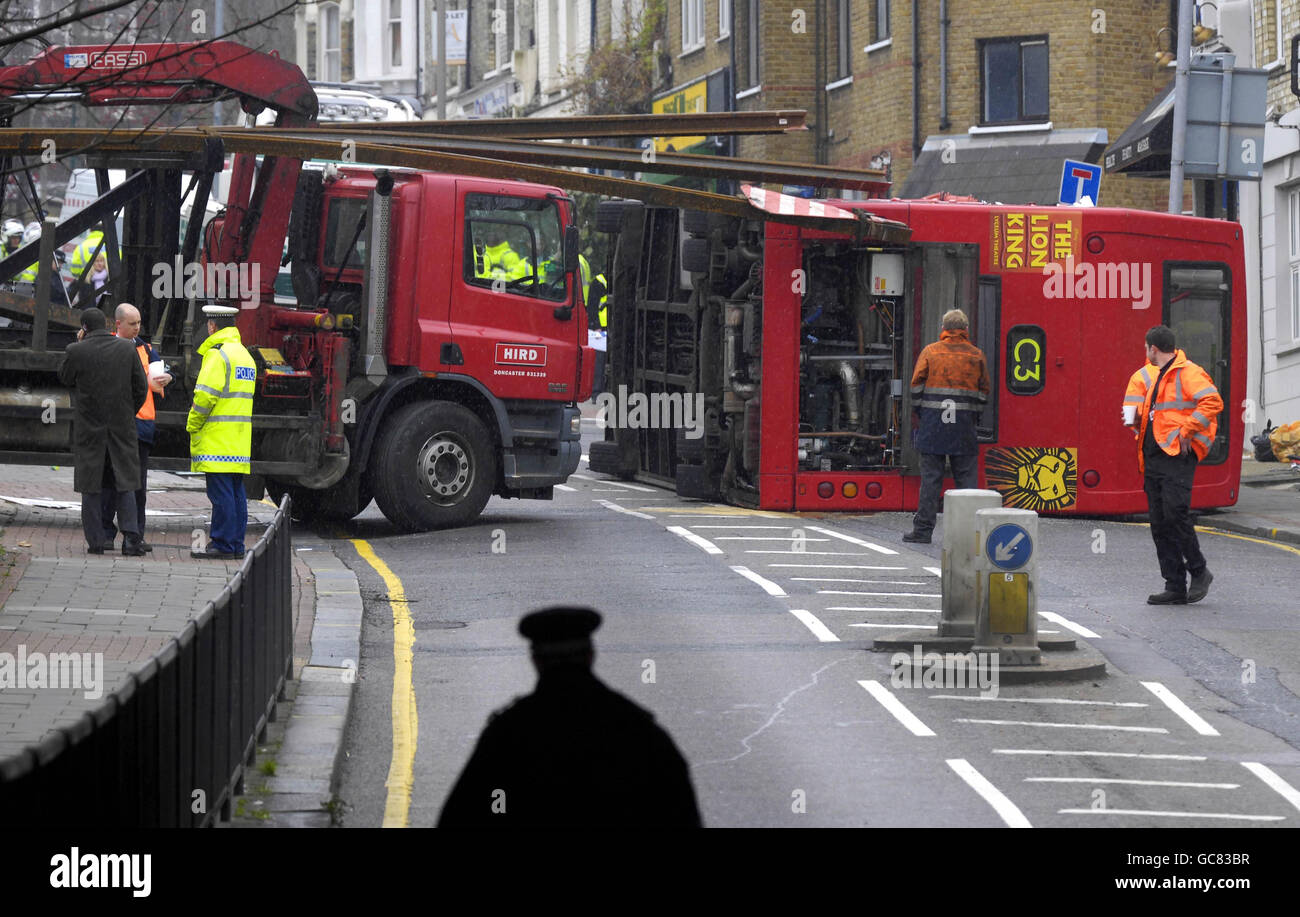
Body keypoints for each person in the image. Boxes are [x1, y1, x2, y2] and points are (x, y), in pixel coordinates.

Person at [438, 606, 702, 828]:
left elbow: (460, 814)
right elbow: (682, 811)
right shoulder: (636, 727)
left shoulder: (509, 731)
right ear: (590, 656)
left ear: (535, 661)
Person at [1124, 325, 1223, 605]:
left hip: (1178, 454)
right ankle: (1175, 584)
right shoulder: (1148, 376)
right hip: (1154, 454)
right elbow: (1133, 414)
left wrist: (1187, 431)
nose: (1145, 353)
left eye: (1146, 348)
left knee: (1175, 513)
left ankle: (1199, 571)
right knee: (1158, 521)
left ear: (1153, 348)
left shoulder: (1189, 372)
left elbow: (1213, 402)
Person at [58, 307, 148, 555]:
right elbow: (140, 388)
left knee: (91, 484)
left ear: (84, 328)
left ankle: (97, 541)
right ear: (108, 324)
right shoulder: (127, 349)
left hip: (90, 429)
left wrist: (78, 344)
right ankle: (131, 539)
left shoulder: (77, 350)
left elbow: (65, 377)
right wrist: (126, 413)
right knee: (126, 481)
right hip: (122, 426)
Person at [903, 308, 991, 544]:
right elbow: (984, 392)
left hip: (933, 426)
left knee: (931, 481)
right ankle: (968, 536)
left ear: (943, 329)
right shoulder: (977, 356)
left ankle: (922, 531)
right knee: (967, 485)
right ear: (966, 330)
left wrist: (922, 413)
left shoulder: (930, 352)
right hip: (963, 428)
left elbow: (916, 387)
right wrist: (973, 414)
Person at [100, 303, 171, 551]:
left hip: (140, 427)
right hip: (115, 426)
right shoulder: (105, 345)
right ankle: (106, 534)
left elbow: (159, 378)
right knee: (109, 483)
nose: (137, 328)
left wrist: (166, 378)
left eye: (139, 323)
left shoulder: (147, 350)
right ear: (117, 324)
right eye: (132, 324)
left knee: (137, 485)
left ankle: (135, 536)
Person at [188, 303, 256, 559]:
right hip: (238, 440)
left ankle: (223, 545)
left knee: (221, 495)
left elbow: (204, 397)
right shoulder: (244, 355)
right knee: (236, 492)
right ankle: (236, 544)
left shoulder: (218, 355)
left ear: (212, 326)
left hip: (217, 438)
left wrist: (192, 424)